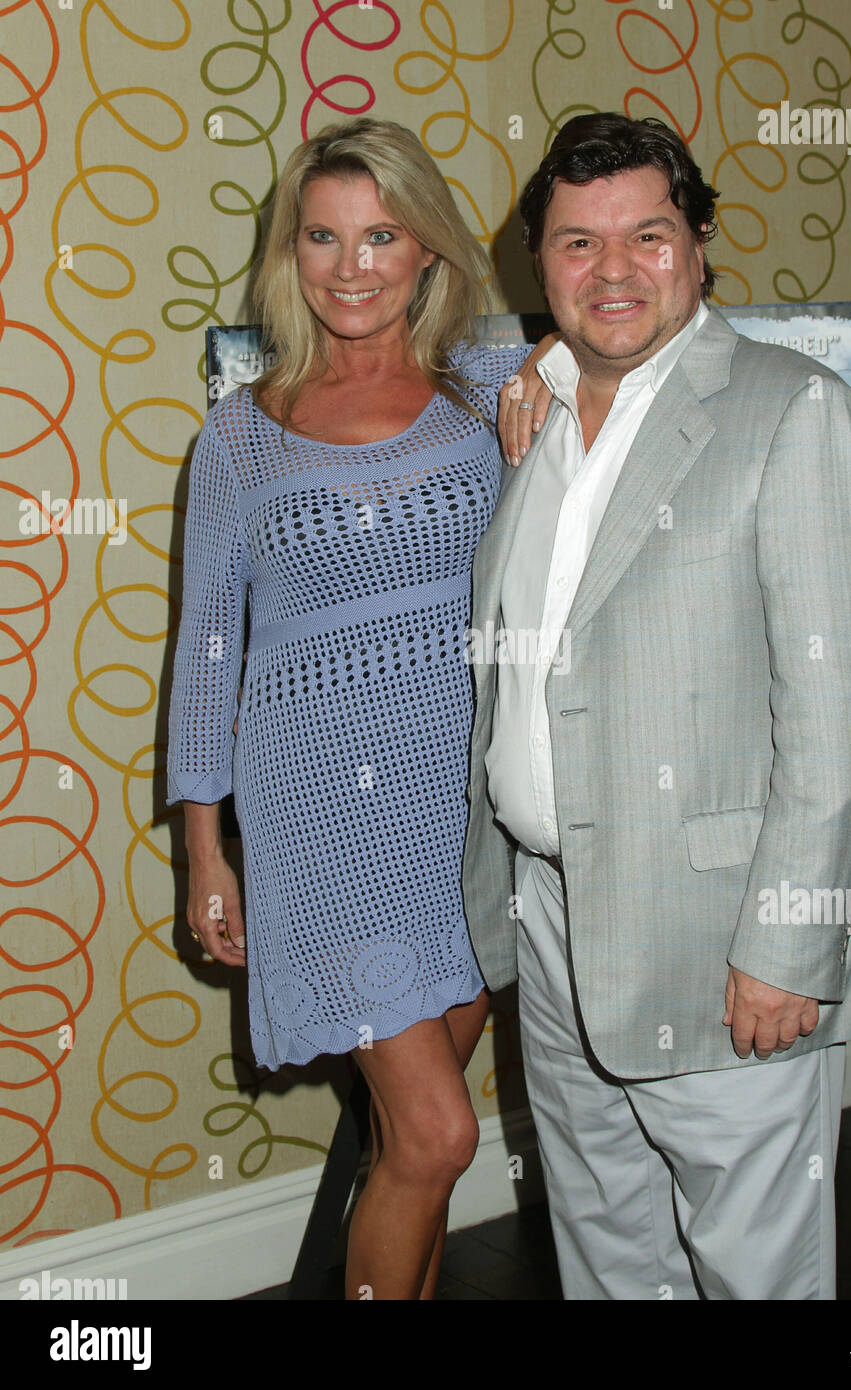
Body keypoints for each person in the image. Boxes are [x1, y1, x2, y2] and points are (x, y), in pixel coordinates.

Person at [464, 112, 851, 1300]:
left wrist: (788, 945)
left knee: (755, 1263)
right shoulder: (540, 418)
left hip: (721, 937)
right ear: (537, 262)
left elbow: (846, 715)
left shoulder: (793, 412)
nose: (611, 271)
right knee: (606, 1245)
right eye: (575, 244)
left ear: (700, 244)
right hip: (556, 918)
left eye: (647, 235)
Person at [166, 118, 545, 1300]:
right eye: (322, 236)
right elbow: (207, 651)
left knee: (407, 1155)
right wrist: (203, 847)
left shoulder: (489, 388)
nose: (351, 264)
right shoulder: (240, 434)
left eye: (381, 233)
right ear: (291, 254)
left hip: (468, 806)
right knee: (440, 1137)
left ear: (428, 249)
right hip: (323, 817)